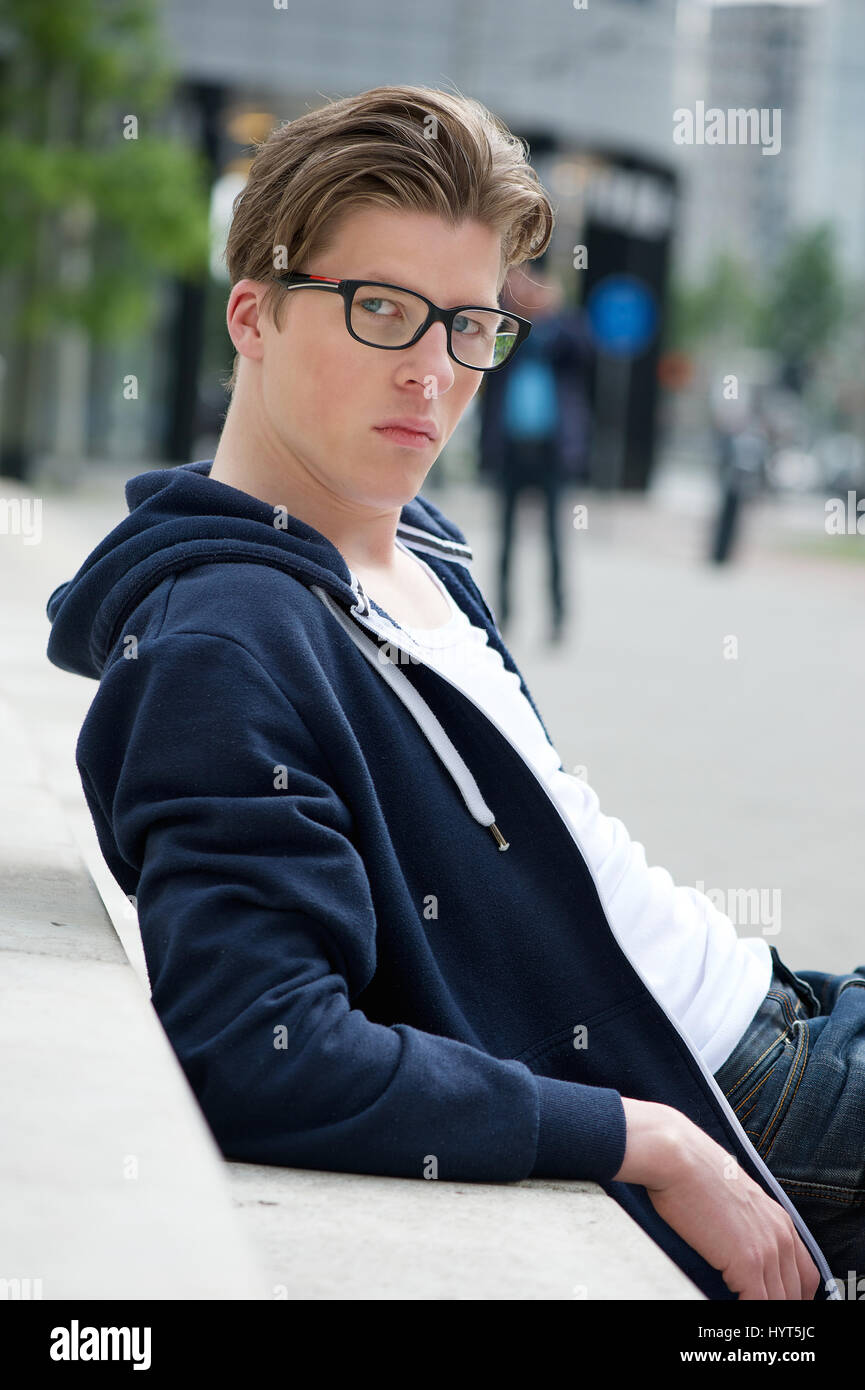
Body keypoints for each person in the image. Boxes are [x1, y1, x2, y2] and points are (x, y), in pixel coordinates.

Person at [45, 84, 861, 1302]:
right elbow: (263, 1050)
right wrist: (646, 1138)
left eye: (470, 325)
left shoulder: (412, 540)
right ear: (253, 316)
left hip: (777, 1007)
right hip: (736, 1095)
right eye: (383, 310)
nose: (433, 374)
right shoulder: (225, 642)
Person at [478, 264, 593, 642]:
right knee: (505, 539)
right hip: (511, 449)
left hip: (552, 452)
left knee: (554, 539)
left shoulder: (564, 331)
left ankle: (558, 617)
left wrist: (551, 312)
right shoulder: (505, 326)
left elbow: (584, 350)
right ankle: (504, 616)